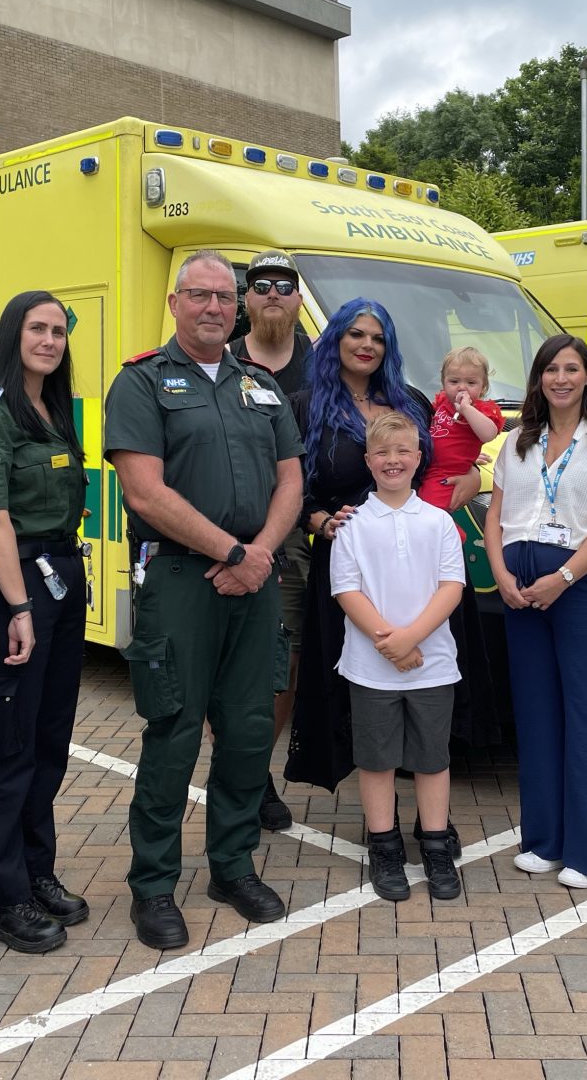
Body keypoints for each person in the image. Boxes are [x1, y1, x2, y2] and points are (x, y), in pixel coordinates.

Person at [104, 249, 304, 950]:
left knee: (250, 730)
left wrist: (258, 557)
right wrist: (233, 554)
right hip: (182, 580)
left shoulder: (260, 386)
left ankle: (231, 864)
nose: (215, 306)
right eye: (201, 295)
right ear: (176, 303)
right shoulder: (142, 383)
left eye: (227, 296)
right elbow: (145, 492)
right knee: (174, 732)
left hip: (253, 580)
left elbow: (290, 481)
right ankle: (154, 884)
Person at [284, 300, 493, 801]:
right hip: (349, 568)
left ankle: (428, 817)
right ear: (336, 339)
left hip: (422, 569)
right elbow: (290, 490)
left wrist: (470, 476)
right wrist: (318, 520)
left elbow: (451, 458)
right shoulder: (305, 405)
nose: (366, 345)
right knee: (352, 692)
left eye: (377, 338)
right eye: (356, 334)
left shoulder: (414, 402)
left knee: (426, 689)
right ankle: (378, 822)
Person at [0, 291, 89, 955]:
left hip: (62, 577)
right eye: (37, 328)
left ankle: (37, 873)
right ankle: (1, 898)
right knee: (6, 746)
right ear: (14, 335)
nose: (50, 340)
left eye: (59, 330)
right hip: (14, 586)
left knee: (49, 740)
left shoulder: (55, 410)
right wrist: (18, 607)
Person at [483, 334, 587, 889]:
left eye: (572, 368)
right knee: (538, 714)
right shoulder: (518, 440)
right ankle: (544, 841)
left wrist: (564, 577)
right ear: (538, 378)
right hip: (520, 587)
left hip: (583, 586)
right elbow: (496, 515)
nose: (561, 378)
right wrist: (500, 573)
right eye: (551, 369)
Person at [332, 412, 466, 902]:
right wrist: (390, 642)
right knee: (377, 759)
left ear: (418, 457)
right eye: (382, 453)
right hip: (370, 667)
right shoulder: (352, 524)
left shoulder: (439, 522)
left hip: (431, 664)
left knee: (432, 759)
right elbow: (347, 589)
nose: (393, 460)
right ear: (368, 461)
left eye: (403, 451)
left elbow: (452, 586)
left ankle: (433, 843)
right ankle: (383, 845)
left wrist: (411, 638)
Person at [231, 248, 314, 832]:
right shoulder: (222, 358)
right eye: (262, 284)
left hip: (297, 539)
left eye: (285, 285)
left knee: (285, 661)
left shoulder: (322, 363)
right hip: (224, 536)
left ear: (299, 297)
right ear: (248, 297)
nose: (274, 294)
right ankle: (239, 770)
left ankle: (254, 769)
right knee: (225, 662)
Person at [418, 346, 503, 511]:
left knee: (430, 511)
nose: (462, 387)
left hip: (447, 473)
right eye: (454, 381)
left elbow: (489, 434)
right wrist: (468, 455)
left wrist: (466, 409)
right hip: (430, 467)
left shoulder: (478, 411)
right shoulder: (443, 403)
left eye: (471, 383)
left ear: (483, 387)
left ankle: (455, 535)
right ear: (443, 382)